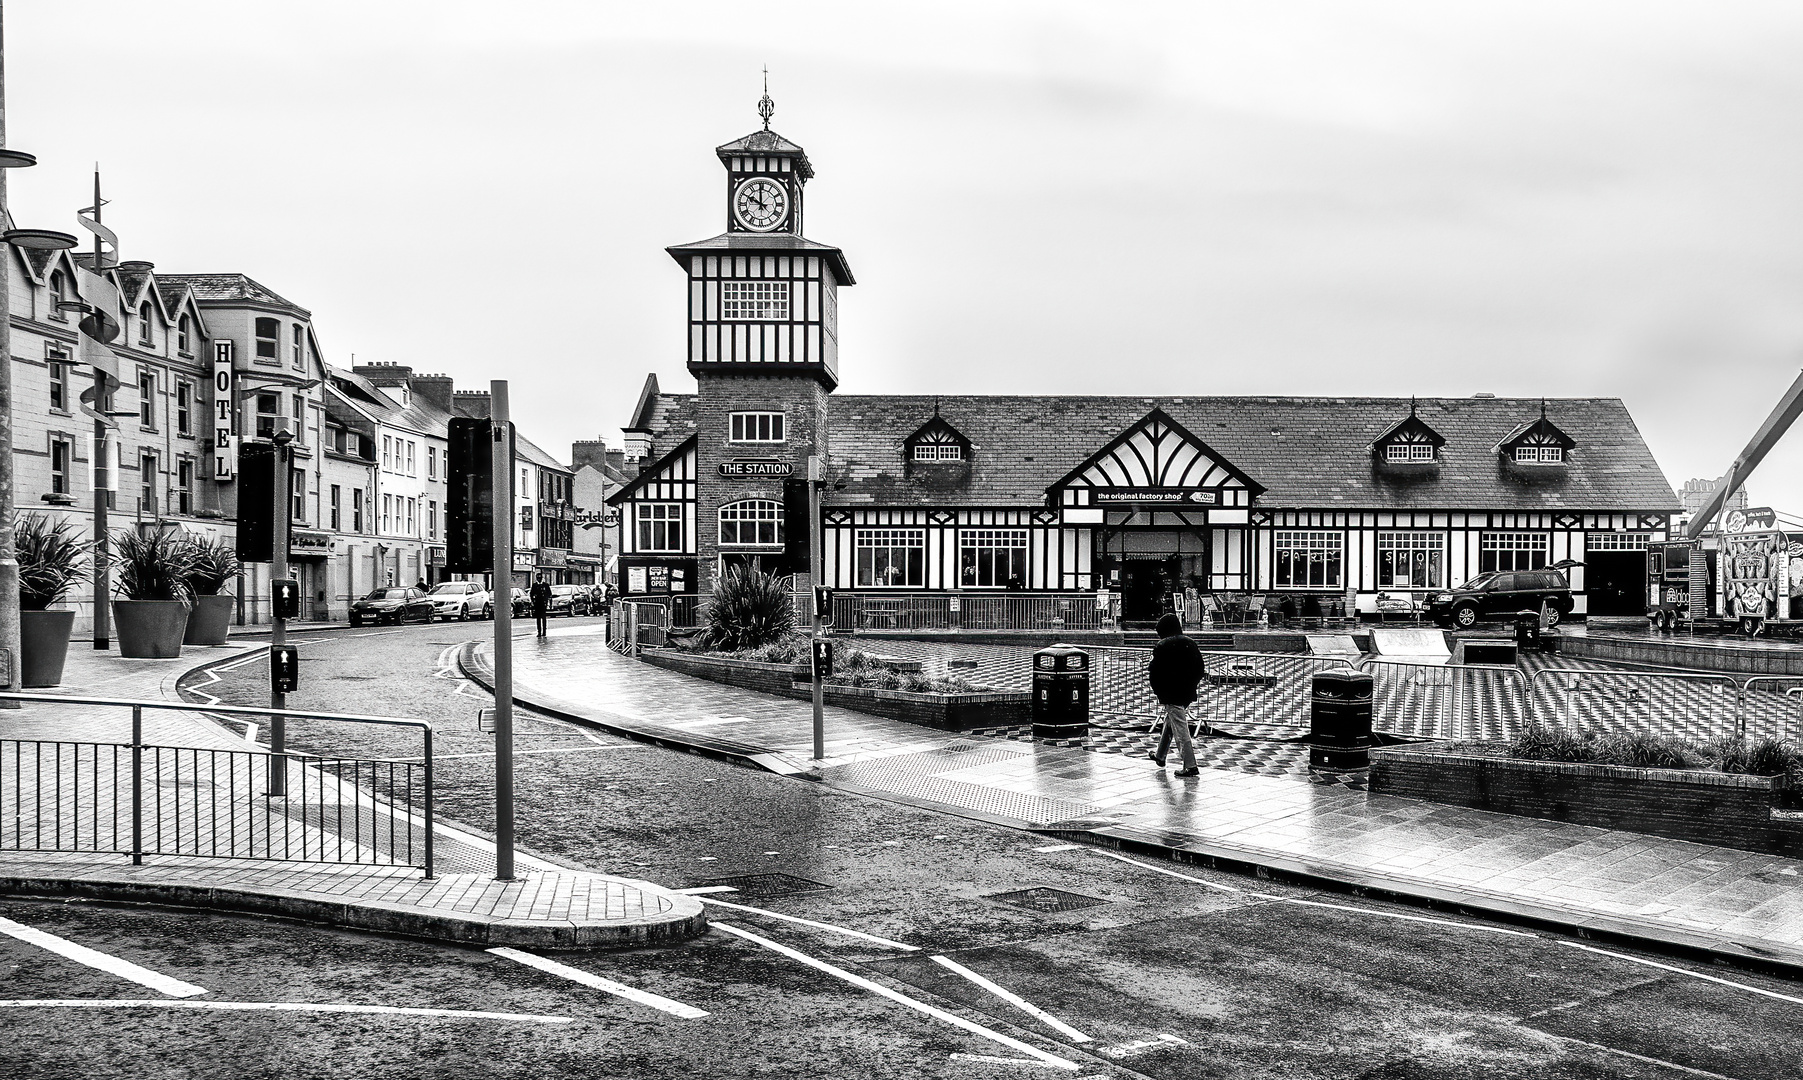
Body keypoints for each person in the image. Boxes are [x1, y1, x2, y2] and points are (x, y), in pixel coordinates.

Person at [1147, 612, 1202, 777]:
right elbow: (1200, 668)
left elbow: (1154, 673)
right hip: (1186, 691)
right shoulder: (1190, 644)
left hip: (1170, 692)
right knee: (1170, 721)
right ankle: (1160, 756)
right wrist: (1192, 685)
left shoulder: (1162, 646)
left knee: (1180, 727)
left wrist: (1159, 692)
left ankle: (1190, 765)